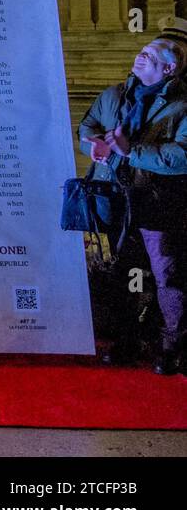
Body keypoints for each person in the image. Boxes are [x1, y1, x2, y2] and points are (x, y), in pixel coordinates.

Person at [78, 37, 187, 375]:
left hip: (158, 202)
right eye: (141, 51)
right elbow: (87, 126)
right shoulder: (113, 95)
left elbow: (181, 157)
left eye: (149, 55)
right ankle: (128, 339)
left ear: (168, 68)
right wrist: (93, 146)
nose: (139, 57)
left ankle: (174, 348)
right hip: (114, 199)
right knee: (122, 272)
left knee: (167, 275)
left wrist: (129, 151)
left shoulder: (183, 105)